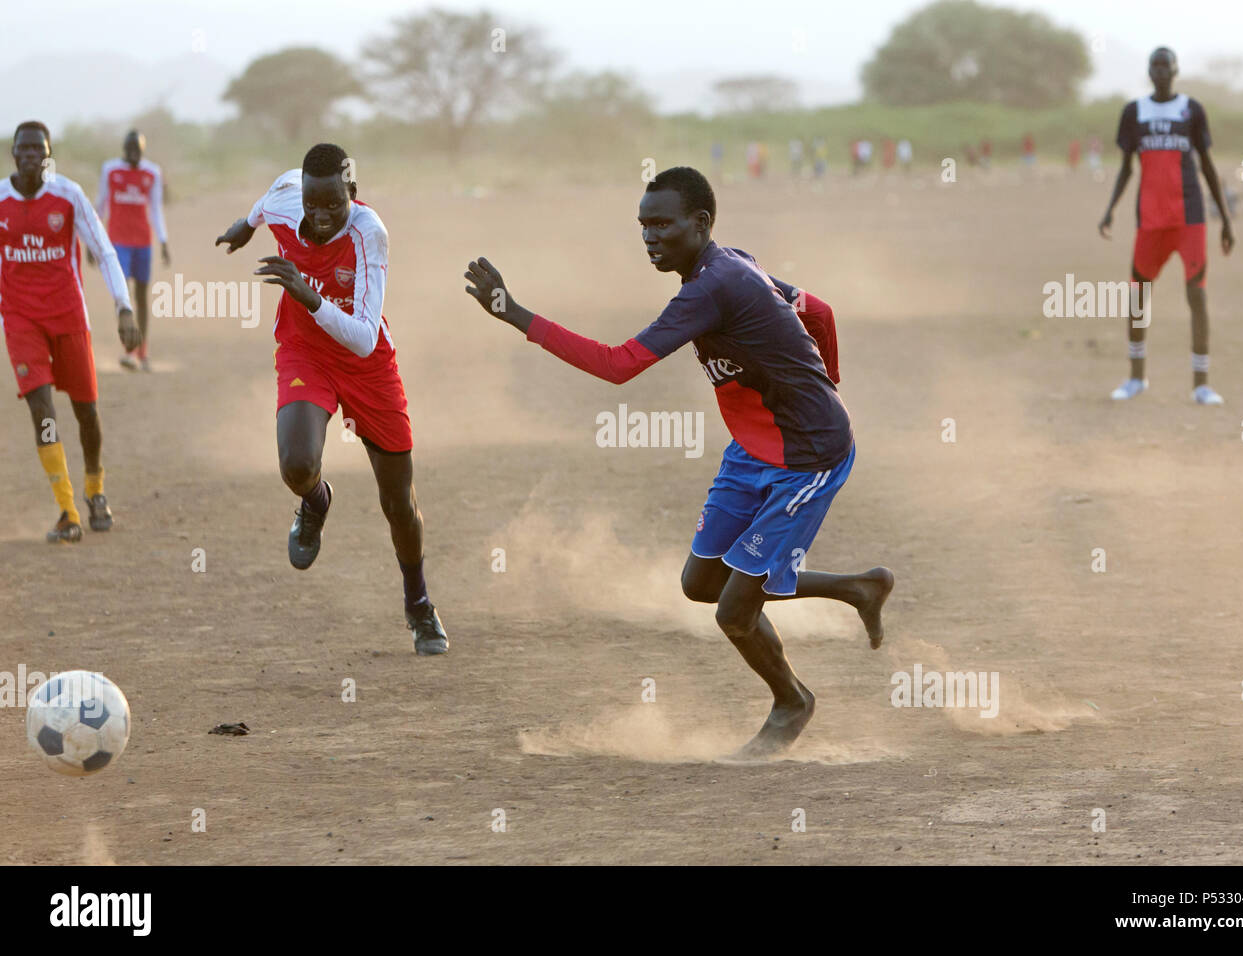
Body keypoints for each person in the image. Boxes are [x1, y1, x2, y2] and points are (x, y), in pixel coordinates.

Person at [463, 166, 893, 757]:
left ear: (701, 223)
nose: (649, 237)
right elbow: (818, 312)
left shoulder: (714, 288)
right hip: (753, 449)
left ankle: (792, 700)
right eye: (643, 225)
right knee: (702, 584)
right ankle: (857, 588)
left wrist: (516, 313)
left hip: (809, 455)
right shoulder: (731, 263)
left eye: (662, 224)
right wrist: (826, 382)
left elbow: (618, 365)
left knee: (734, 612)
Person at [214, 144, 449, 654]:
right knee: (297, 465)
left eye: (333, 206)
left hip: (368, 365)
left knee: (398, 505)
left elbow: (364, 337)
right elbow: (269, 197)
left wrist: (308, 294)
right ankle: (316, 501)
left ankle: (418, 603)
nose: (320, 218)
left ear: (353, 196)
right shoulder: (287, 200)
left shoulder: (369, 233)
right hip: (305, 353)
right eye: (312, 204)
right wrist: (244, 224)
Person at [2, 121, 139, 542]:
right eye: (22, 149)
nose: (30, 156)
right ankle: (66, 509)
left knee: (87, 413)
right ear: (13, 154)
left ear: (47, 154)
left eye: (37, 149)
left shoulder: (69, 195)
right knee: (42, 412)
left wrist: (124, 308)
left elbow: (103, 250)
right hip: (21, 319)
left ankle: (95, 489)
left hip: (67, 316)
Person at [1099, 47, 1234, 405]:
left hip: (1190, 217)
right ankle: (1136, 378)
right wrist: (1110, 208)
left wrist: (1225, 218)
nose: (1160, 72)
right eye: (1154, 66)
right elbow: (1127, 168)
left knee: (1197, 296)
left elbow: (1206, 164)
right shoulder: (1134, 112)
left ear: (1175, 70)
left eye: (1165, 66)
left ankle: (1201, 384)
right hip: (1151, 219)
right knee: (1138, 296)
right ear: (1148, 72)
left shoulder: (1192, 110)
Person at [95, 129, 169, 371]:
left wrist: (164, 241)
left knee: (141, 298)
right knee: (122, 295)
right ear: (124, 150)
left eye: (138, 150)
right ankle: (129, 351)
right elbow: (100, 204)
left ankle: (142, 351)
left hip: (143, 243)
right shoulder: (111, 170)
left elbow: (156, 210)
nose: (134, 155)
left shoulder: (152, 172)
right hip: (118, 243)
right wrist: (93, 240)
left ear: (143, 150)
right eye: (130, 150)